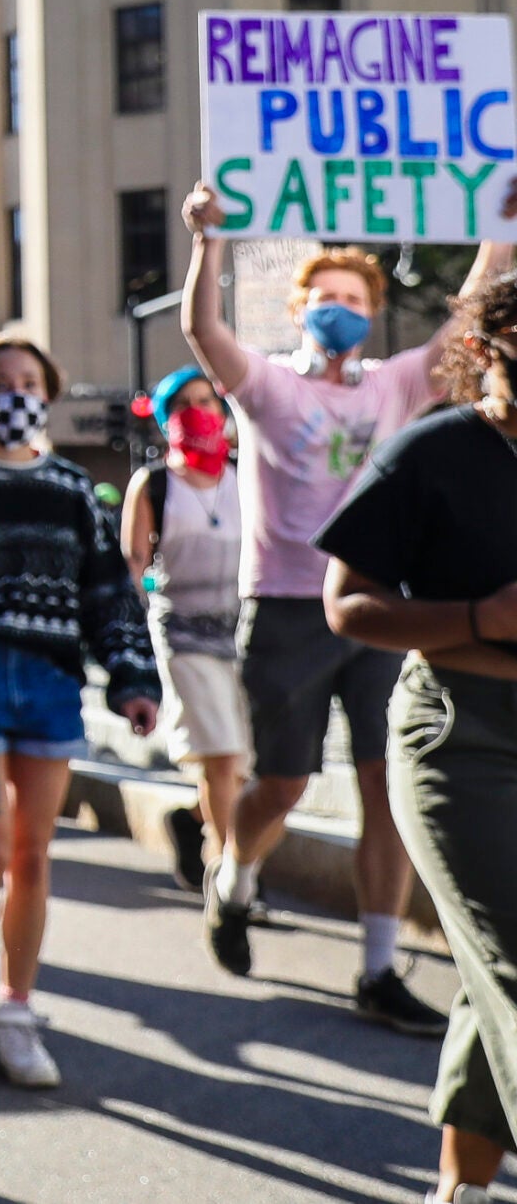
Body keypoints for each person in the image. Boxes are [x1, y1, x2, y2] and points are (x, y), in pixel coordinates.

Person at [179, 179, 512, 1026]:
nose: (341, 310)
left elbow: (467, 322)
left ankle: (377, 966)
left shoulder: (392, 389)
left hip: (382, 615)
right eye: (326, 298)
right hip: (287, 608)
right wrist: (208, 243)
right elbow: (204, 332)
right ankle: (234, 876)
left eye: (356, 299)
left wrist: (497, 230)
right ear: (299, 310)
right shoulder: (267, 386)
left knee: (382, 786)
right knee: (284, 783)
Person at [318, 269, 517, 1204]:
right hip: (460, 739)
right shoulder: (434, 449)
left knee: (489, 970)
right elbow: (347, 604)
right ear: (483, 350)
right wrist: (480, 617)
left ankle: (460, 1193)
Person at [0, 334, 159, 1090]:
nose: (14, 392)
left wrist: (133, 677)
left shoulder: (72, 487)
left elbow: (107, 592)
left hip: (51, 688)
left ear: (48, 392)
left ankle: (17, 1010)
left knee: (32, 856)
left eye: (28, 380)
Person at [122, 365, 249, 891]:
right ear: (165, 418)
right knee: (222, 755)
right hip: (183, 635)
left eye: (207, 400)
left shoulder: (245, 474)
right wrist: (134, 643)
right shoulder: (153, 484)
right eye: (183, 404)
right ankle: (232, 874)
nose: (198, 412)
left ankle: (193, 819)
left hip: (245, 633)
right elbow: (133, 564)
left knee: (246, 763)